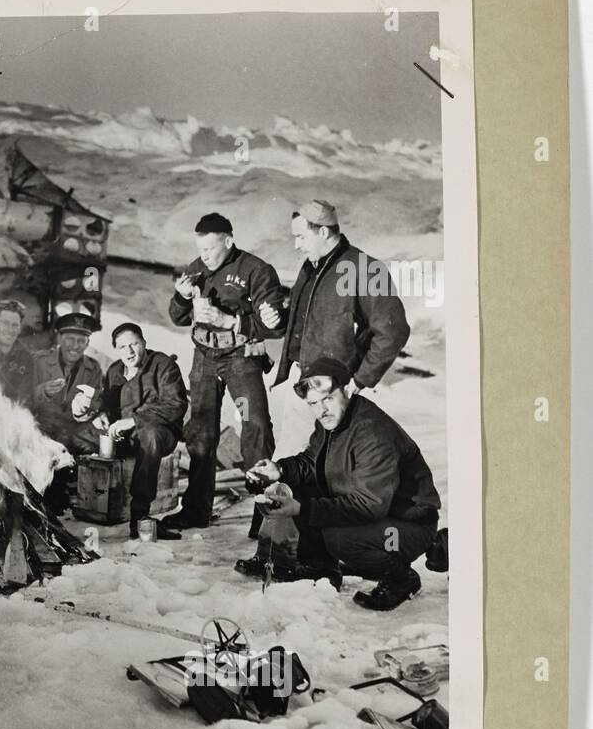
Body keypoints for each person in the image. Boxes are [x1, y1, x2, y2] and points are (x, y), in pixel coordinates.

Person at [237, 357, 442, 611]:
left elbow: (368, 506)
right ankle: (320, 567)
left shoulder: (372, 434)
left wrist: (301, 509)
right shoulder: (333, 420)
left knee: (340, 538)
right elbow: (312, 463)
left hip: (408, 527)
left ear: (346, 390)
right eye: (313, 403)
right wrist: (279, 470)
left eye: (328, 398)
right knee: (296, 484)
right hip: (381, 516)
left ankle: (401, 577)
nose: (321, 409)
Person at [164, 212, 286, 532]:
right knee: (200, 434)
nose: (203, 256)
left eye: (209, 248)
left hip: (240, 358)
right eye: (199, 249)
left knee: (254, 428)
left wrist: (229, 320)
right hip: (204, 357)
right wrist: (181, 296)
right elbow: (176, 317)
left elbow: (273, 326)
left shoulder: (256, 271)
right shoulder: (196, 269)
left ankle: (266, 516)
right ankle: (196, 511)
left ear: (228, 241)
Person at [275, 199, 410, 392]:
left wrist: (360, 380)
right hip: (299, 383)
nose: (296, 245)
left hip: (336, 388)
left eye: (301, 237)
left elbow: (393, 331)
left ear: (323, 232)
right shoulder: (310, 267)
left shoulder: (367, 269)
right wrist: (277, 320)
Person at [99, 323, 189, 540]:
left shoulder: (163, 365)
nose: (129, 352)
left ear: (144, 343)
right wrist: (102, 416)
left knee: (150, 437)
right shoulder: (114, 371)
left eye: (134, 344)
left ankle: (139, 517)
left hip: (161, 433)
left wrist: (133, 421)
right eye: (122, 347)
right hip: (126, 435)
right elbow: (108, 405)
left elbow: (176, 404)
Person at [29, 312, 105, 514]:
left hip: (72, 427)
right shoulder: (39, 361)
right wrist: (42, 391)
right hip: (39, 423)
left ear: (88, 343)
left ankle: (70, 494)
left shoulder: (93, 368)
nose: (75, 345)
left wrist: (85, 411)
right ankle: (45, 497)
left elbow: (97, 402)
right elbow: (21, 397)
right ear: (59, 339)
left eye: (81, 340)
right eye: (70, 339)